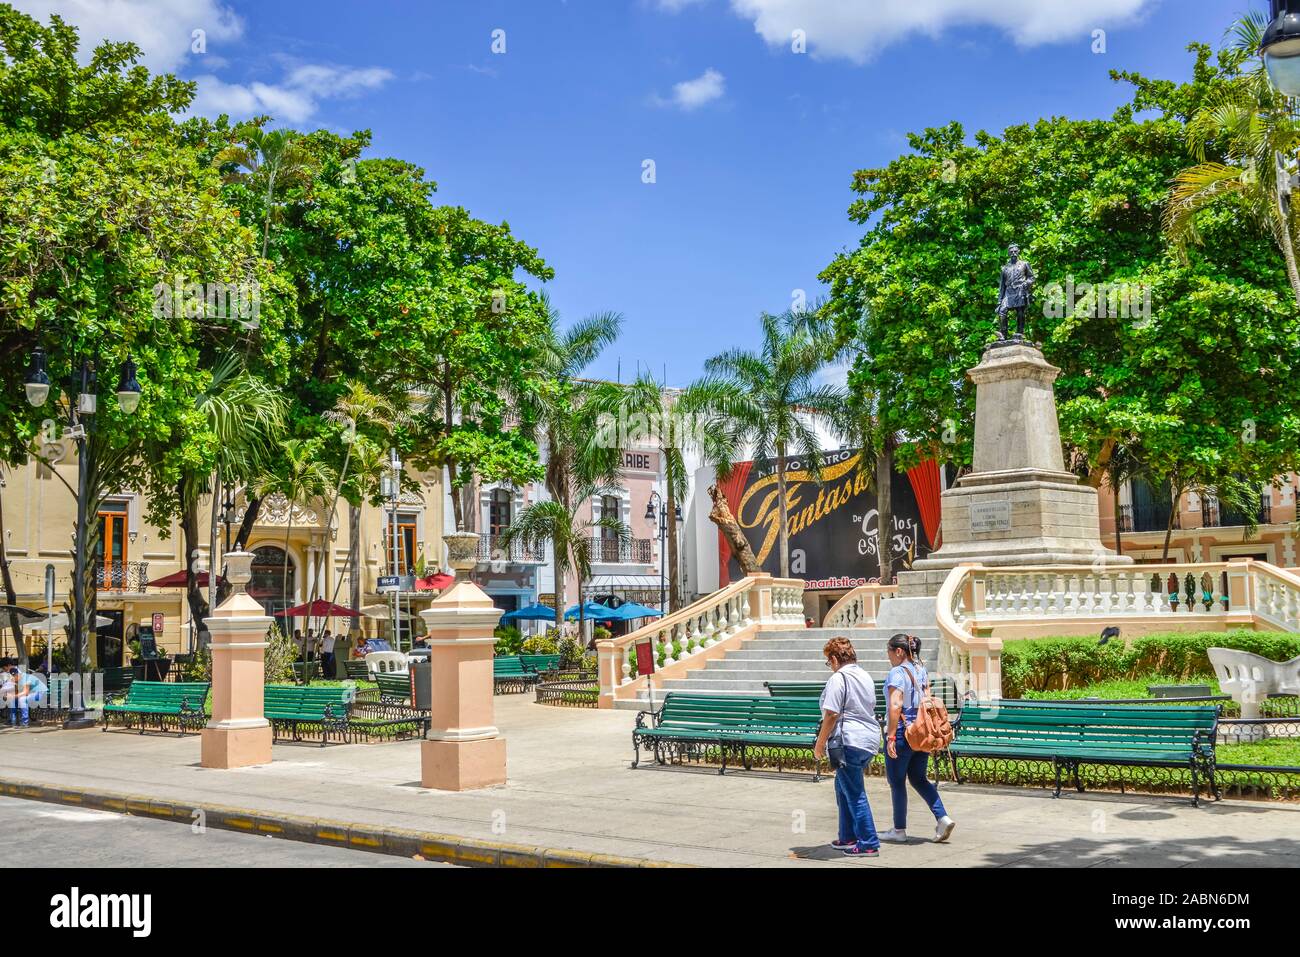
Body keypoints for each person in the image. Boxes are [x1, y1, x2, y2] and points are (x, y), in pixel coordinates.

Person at [879, 633, 956, 844]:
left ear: (899, 651)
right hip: (922, 733)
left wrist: (891, 736)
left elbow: (895, 705)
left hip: (903, 732)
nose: (888, 656)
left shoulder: (897, 672)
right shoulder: (921, 670)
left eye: (889, 651)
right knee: (918, 778)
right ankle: (942, 817)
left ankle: (899, 830)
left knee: (896, 781)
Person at [812, 636, 882, 857]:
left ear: (834, 658)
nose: (829, 666)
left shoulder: (838, 677)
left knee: (854, 792)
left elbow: (832, 713)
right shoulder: (864, 675)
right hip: (868, 739)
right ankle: (847, 836)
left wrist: (820, 743)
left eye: (828, 661)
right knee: (843, 787)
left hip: (848, 740)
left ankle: (869, 842)